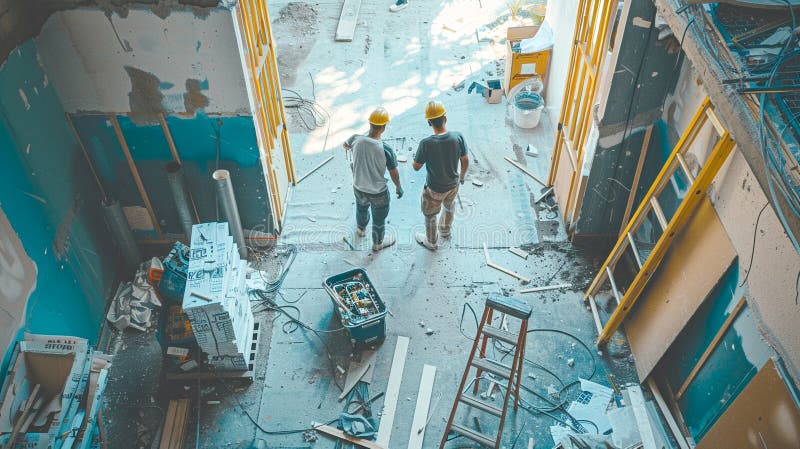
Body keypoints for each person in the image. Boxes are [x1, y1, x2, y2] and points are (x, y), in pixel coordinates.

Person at [343, 107, 403, 251]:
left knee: (361, 208)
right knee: (379, 219)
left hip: (358, 187)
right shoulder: (386, 149)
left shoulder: (355, 138)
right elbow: (393, 172)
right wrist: (398, 187)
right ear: (383, 127)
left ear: (369, 124)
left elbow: (345, 145)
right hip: (378, 192)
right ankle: (377, 244)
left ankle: (361, 229)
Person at [412, 101, 469, 250]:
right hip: (453, 185)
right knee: (449, 206)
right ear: (446, 118)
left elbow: (416, 167)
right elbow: (465, 160)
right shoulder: (458, 137)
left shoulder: (426, 144)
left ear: (429, 122)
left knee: (430, 214)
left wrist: (418, 157)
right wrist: (461, 177)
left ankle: (431, 241)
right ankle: (445, 230)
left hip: (434, 189)